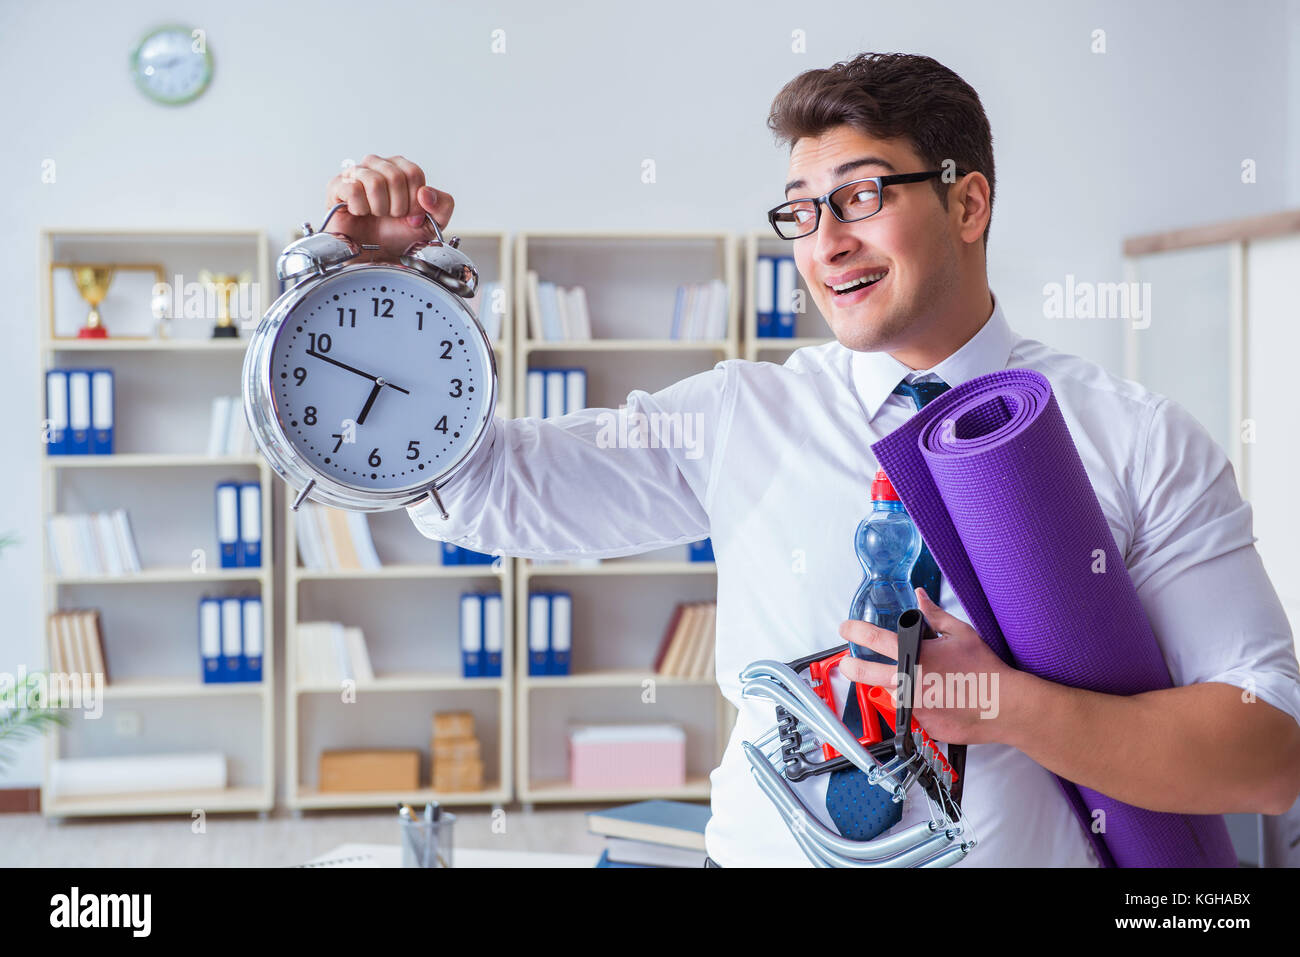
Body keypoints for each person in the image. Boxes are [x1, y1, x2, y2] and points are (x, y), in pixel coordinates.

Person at [324, 52, 1300, 867]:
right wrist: (383, 304)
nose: (827, 244)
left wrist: (1010, 710)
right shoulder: (740, 414)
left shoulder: (1138, 441)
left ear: (966, 205)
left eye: (862, 198)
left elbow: (1266, 750)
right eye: (801, 212)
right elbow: (488, 490)